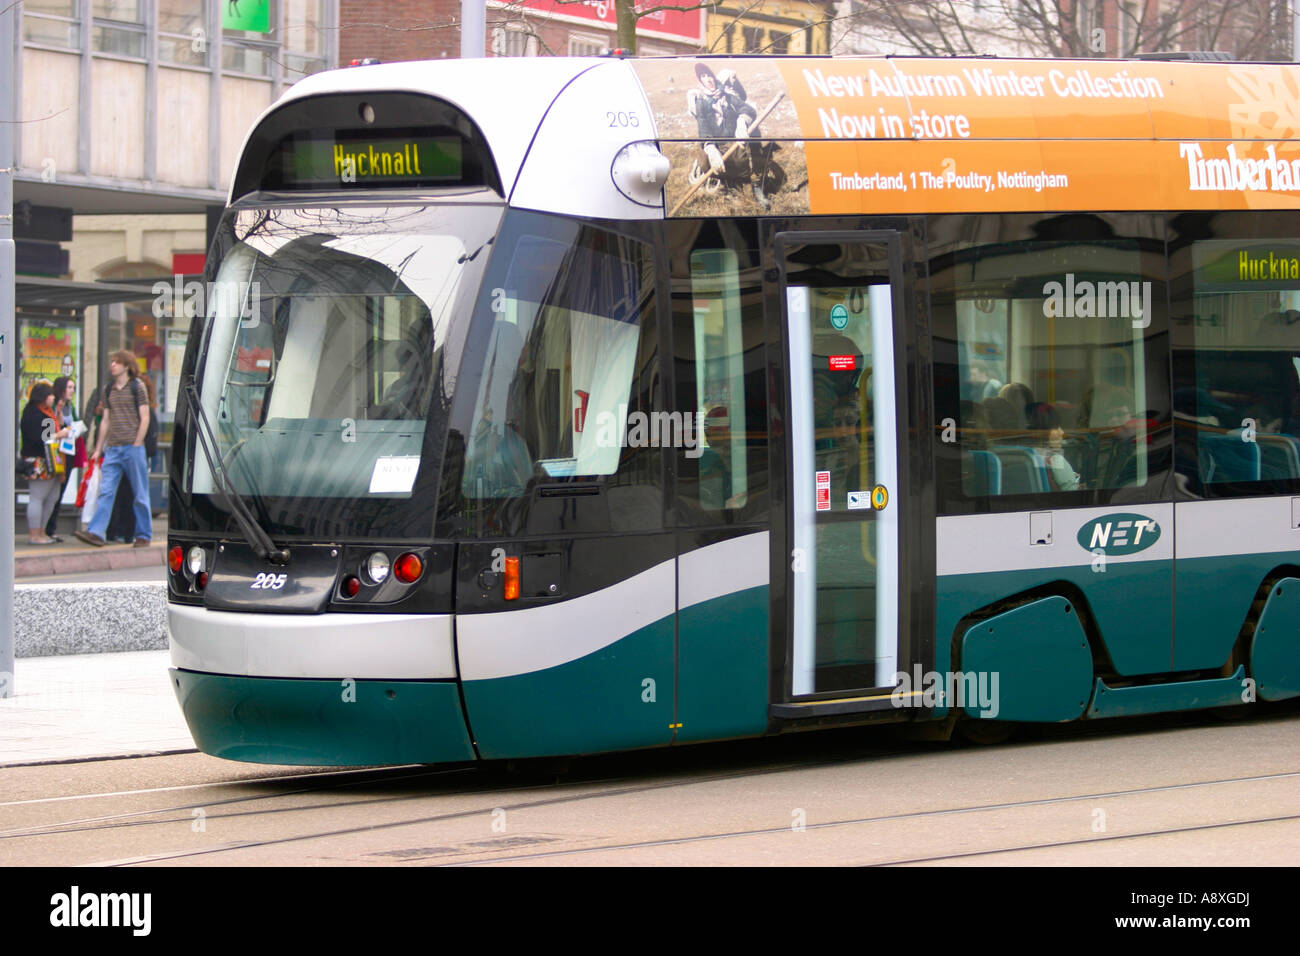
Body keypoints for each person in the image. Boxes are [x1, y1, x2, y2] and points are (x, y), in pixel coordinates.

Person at [74, 351, 153, 547]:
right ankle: (97, 532)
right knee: (106, 490)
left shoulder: (137, 387)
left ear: (127, 366)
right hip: (114, 448)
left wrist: (137, 442)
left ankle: (144, 534)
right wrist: (99, 448)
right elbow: (106, 420)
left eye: (117, 362)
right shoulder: (108, 389)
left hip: (133, 448)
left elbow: (145, 416)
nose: (113, 365)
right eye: (112, 362)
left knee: (140, 494)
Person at [687, 64, 775, 206]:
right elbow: (703, 127)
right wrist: (710, 148)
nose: (708, 79)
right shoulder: (701, 102)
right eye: (703, 76)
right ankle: (729, 184)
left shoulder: (727, 96)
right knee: (705, 162)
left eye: (709, 75)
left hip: (733, 142)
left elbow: (747, 109)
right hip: (715, 143)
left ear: (714, 78)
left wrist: (741, 122)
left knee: (746, 156)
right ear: (700, 80)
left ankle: (757, 187)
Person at [20, 383, 70, 545]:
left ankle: (42, 531)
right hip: (38, 460)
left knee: (52, 497)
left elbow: (52, 432)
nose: (53, 397)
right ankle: (34, 534)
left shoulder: (49, 413)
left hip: (53, 460)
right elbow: (41, 438)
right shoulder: (32, 414)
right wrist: (59, 435)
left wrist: (59, 415)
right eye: (50, 395)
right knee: (38, 497)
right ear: (42, 396)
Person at [43, 376, 83, 541]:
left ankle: (51, 527)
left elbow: (74, 424)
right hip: (55, 453)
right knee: (50, 492)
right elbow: (51, 430)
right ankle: (44, 527)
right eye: (69, 387)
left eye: (73, 387)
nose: (72, 391)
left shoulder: (70, 407)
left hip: (68, 453)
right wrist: (58, 412)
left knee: (60, 491)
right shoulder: (52, 406)